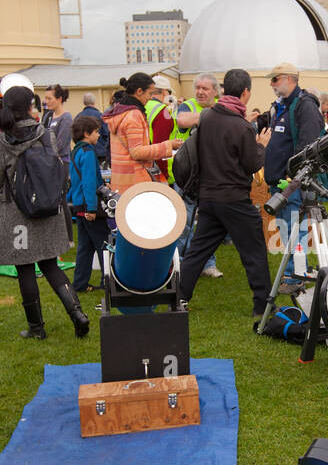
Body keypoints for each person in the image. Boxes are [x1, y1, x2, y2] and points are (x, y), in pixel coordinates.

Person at [0, 86, 88, 340]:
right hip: (46, 206)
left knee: (25, 269)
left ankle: (36, 328)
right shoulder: (45, 133)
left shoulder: (2, 141)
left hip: (16, 212)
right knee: (51, 265)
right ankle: (77, 313)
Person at [177, 68, 270, 317]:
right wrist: (261, 146)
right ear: (246, 92)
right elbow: (252, 164)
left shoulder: (207, 117)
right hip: (234, 199)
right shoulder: (241, 126)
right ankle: (262, 306)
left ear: (224, 90)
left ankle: (178, 299)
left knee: (197, 252)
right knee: (254, 252)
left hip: (208, 198)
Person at [263, 62, 324, 263]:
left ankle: (294, 276)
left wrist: (293, 178)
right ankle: (294, 273)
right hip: (279, 182)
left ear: (289, 78)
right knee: (288, 232)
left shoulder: (304, 105)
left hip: (292, 184)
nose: (271, 84)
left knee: (294, 233)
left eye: (275, 79)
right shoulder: (281, 106)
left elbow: (308, 147)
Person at [173, 74, 223, 279]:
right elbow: (182, 120)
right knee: (183, 222)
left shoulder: (221, 105)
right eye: (198, 88)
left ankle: (208, 264)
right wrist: (213, 116)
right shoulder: (188, 106)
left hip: (212, 175)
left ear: (215, 91)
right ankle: (180, 264)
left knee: (208, 224)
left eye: (205, 88)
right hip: (188, 176)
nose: (200, 92)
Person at [105, 73, 183, 193]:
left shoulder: (120, 111)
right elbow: (136, 152)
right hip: (136, 182)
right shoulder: (134, 115)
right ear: (139, 91)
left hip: (122, 179)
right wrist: (169, 145)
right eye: (150, 93)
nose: (151, 97)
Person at [68, 113, 109, 293]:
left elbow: (77, 180)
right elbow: (88, 182)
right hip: (89, 206)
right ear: (86, 133)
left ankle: (80, 283)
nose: (99, 135)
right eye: (96, 132)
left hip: (79, 205)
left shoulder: (76, 150)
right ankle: (107, 281)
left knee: (85, 247)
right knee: (104, 244)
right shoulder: (88, 152)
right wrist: (92, 208)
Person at [44, 84, 73, 164]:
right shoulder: (48, 115)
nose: (46, 102)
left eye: (49, 99)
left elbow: (60, 144)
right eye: (45, 98)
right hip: (48, 160)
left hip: (61, 162)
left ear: (59, 99)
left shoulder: (66, 118)